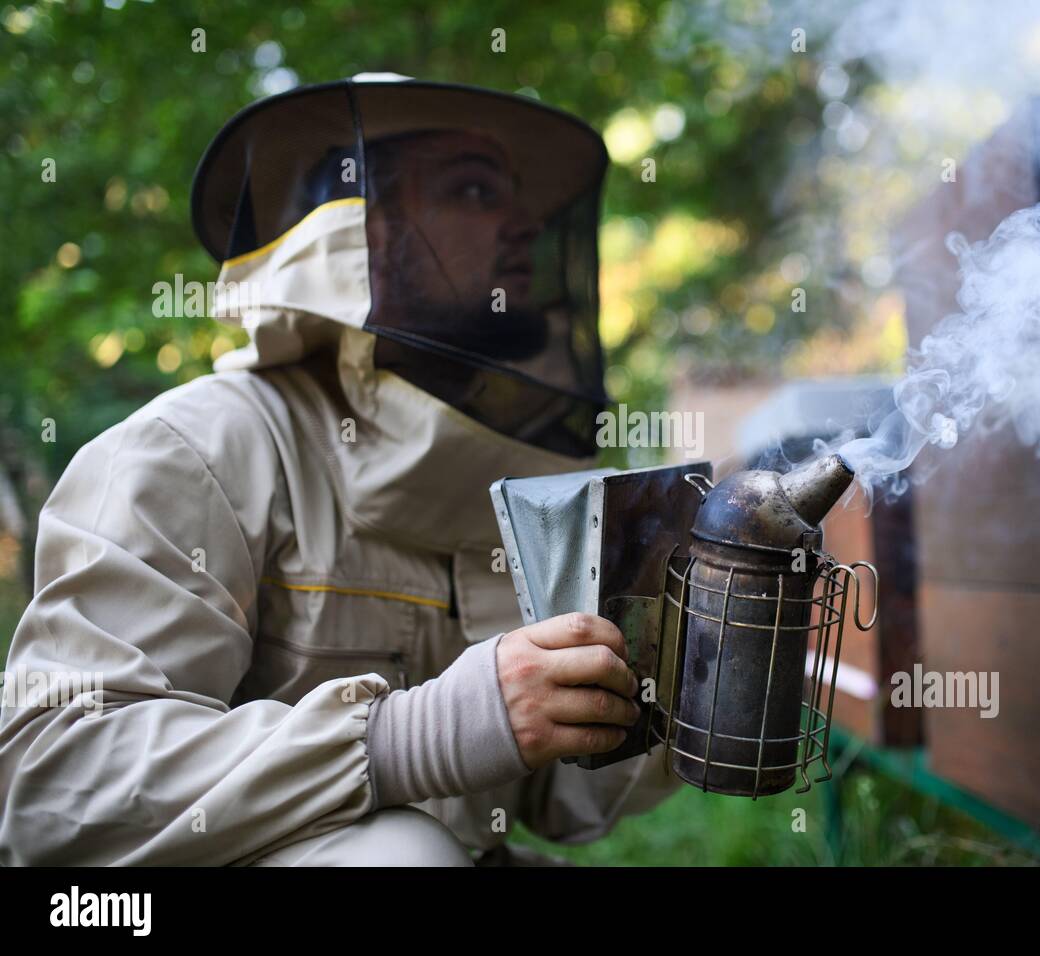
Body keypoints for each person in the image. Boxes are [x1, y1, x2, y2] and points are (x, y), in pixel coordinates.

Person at [0, 75, 681, 866]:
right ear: (363, 235)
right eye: (472, 189)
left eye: (519, 201)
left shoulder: (484, 469)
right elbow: (49, 782)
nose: (524, 227)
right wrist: (413, 737)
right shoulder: (193, 450)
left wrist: (689, 667)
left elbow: (546, 797)